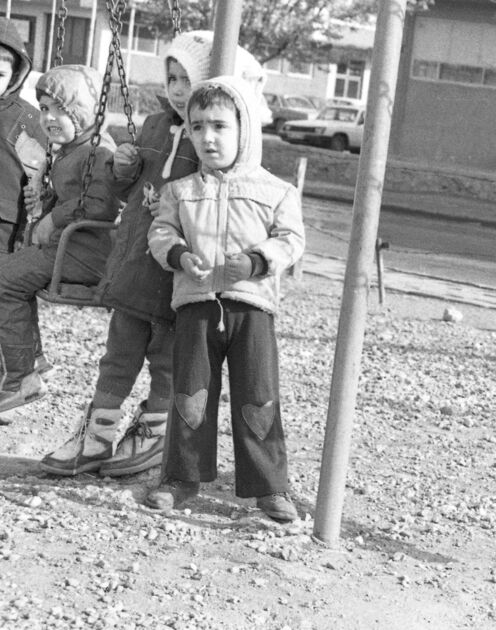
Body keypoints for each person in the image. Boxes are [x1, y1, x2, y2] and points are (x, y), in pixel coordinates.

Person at [39, 32, 266, 477]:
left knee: (166, 357)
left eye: (187, 79)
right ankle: (97, 434)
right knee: (118, 352)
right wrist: (122, 167)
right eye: (172, 77)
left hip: (179, 271)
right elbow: (128, 187)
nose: (178, 89)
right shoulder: (157, 125)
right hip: (135, 259)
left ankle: (153, 428)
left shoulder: (218, 135)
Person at [144, 76, 305, 522]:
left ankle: (269, 486)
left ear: (244, 129)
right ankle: (182, 477)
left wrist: (256, 261)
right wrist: (179, 254)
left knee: (258, 397)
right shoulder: (181, 190)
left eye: (219, 126)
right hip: (196, 304)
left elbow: (292, 240)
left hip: (251, 308)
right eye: (197, 127)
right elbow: (161, 231)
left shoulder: (277, 191)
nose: (207, 137)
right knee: (191, 393)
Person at [0, 65, 120, 412]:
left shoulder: (98, 152)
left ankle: (21, 376)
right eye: (44, 108)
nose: (49, 118)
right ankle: (31, 361)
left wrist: (54, 217)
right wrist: (44, 200)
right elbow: (70, 195)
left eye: (59, 110)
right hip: (67, 247)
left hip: (85, 252)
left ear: (82, 112)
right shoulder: (70, 151)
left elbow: (101, 204)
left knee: (4, 280)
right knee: (10, 275)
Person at [0, 18, 47, 256]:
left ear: (15, 76)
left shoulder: (26, 119)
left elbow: (39, 177)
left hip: (4, 224)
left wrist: (25, 232)